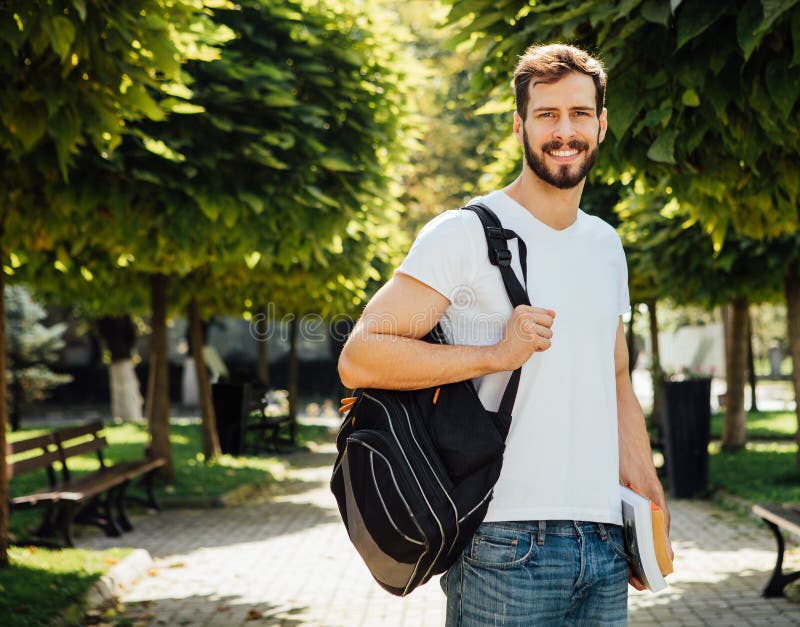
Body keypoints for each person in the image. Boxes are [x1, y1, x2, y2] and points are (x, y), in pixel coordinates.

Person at [338, 43, 672, 625]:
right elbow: (361, 356)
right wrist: (495, 353)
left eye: (579, 114)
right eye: (547, 115)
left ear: (601, 123)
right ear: (520, 125)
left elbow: (615, 377)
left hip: (603, 542)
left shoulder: (606, 246)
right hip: (503, 544)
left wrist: (648, 498)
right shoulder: (463, 234)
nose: (564, 131)